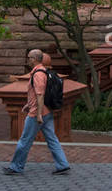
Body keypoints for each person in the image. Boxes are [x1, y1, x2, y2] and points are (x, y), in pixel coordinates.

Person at [4, 48, 71, 176]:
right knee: (52, 139)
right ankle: (63, 165)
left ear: (34, 59)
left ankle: (16, 167)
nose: (27, 60)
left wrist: (38, 113)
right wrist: (28, 105)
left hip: (37, 114)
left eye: (29, 58)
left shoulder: (38, 74)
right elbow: (36, 95)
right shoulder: (43, 71)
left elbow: (40, 95)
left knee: (24, 140)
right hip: (46, 112)